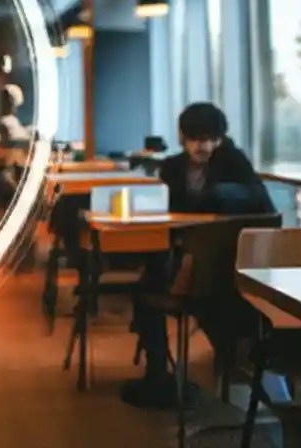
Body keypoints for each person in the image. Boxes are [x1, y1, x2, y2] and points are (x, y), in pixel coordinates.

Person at [121, 102, 272, 409]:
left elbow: (259, 200)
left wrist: (218, 196)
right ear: (183, 137)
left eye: (210, 139)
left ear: (220, 138)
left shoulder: (232, 161)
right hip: (186, 257)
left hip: (225, 263)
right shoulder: (173, 168)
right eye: (196, 139)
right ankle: (159, 371)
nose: (203, 146)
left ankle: (172, 372)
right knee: (150, 286)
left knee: (155, 292)